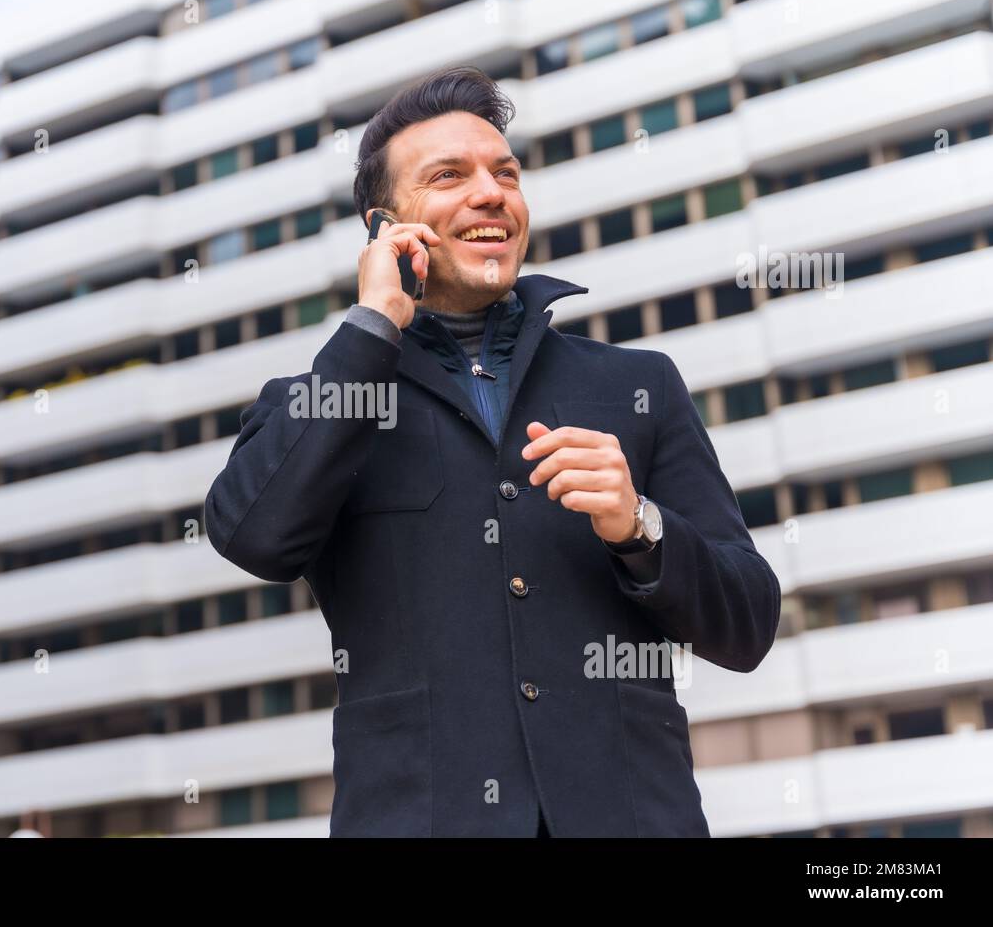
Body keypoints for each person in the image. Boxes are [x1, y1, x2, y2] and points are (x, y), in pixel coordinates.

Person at [204, 65, 781, 837]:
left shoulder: (638, 385)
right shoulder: (322, 401)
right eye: (450, 176)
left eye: (505, 172)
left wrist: (639, 525)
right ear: (385, 226)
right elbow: (252, 536)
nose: (491, 192)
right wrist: (375, 320)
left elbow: (748, 623)